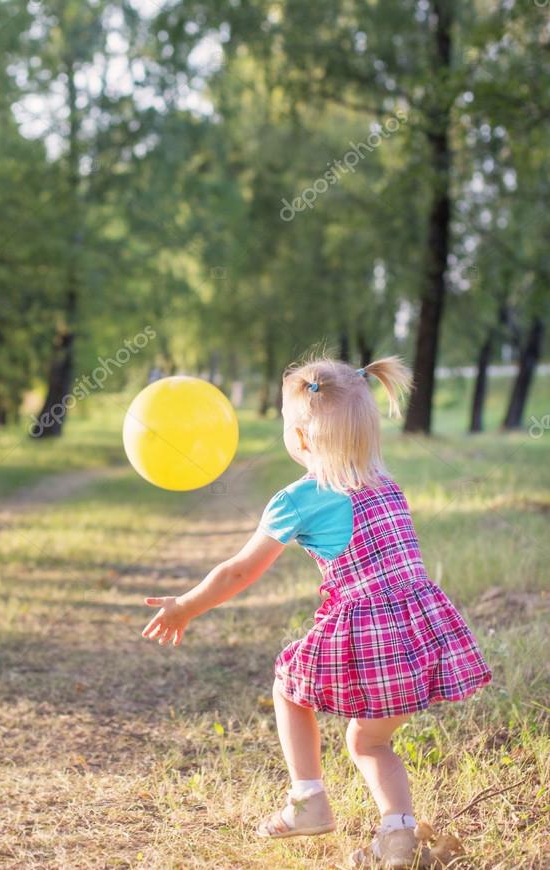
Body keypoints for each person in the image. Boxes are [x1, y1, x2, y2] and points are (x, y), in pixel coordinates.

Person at [141, 356, 491, 869]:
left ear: (301, 439)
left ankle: (308, 801)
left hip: (370, 629)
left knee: (289, 684)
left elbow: (239, 571)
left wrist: (186, 605)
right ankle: (398, 836)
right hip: (420, 635)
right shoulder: (387, 484)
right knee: (369, 742)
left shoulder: (298, 499)